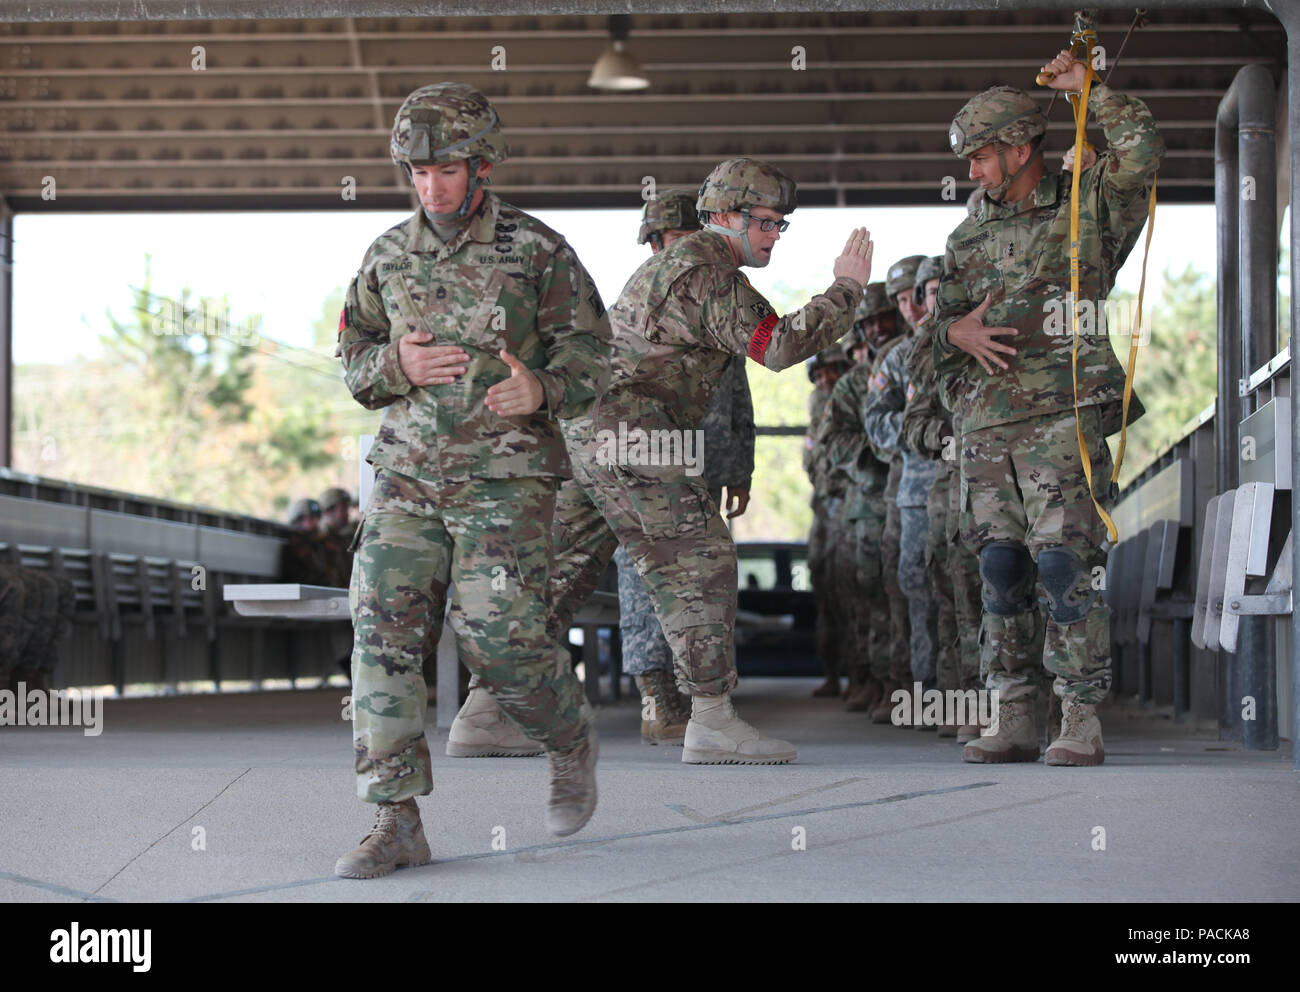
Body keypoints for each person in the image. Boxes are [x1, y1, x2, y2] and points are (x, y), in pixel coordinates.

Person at [332, 81, 611, 878]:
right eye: (417, 172)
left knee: (500, 640)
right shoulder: (387, 255)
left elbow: (595, 354)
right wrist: (396, 363)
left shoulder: (537, 251)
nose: (432, 187)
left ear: (483, 164)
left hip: (506, 477)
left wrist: (544, 391)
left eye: (447, 169)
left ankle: (567, 738)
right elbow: (352, 358)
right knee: (380, 633)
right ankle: (395, 818)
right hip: (410, 475)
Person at [547, 157, 872, 765]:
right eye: (765, 223)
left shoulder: (681, 267)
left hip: (590, 434)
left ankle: (493, 706)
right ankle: (714, 720)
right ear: (724, 216)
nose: (774, 235)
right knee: (699, 563)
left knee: (564, 565)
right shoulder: (707, 275)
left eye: (781, 225)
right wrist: (846, 288)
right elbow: (775, 346)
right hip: (635, 433)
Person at [935, 51, 1163, 765]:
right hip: (986, 426)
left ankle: (1080, 718)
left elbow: (1142, 152)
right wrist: (954, 330)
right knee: (1001, 569)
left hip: (1064, 417)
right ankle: (1013, 716)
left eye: (981, 156)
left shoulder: (1086, 205)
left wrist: (1088, 93)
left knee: (1065, 565)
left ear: (1022, 147)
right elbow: (938, 338)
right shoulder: (965, 238)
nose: (972, 172)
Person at [862, 254, 940, 728]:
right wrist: (920, 430)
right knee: (917, 595)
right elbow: (875, 423)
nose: (909, 306)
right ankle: (924, 693)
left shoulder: (966, 342)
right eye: (900, 300)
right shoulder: (897, 358)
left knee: (968, 594)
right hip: (915, 492)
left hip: (974, 488)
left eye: (914, 295)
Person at [818, 283, 896, 712]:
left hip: (919, 495)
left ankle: (910, 685)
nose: (880, 329)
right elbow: (833, 439)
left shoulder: (913, 362)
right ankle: (873, 678)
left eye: (888, 318)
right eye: (870, 323)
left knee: (914, 595)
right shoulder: (853, 385)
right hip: (868, 501)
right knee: (870, 597)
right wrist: (871, 460)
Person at [804, 343, 852, 698]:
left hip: (852, 503)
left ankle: (865, 677)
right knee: (825, 590)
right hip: (823, 506)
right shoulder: (816, 409)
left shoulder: (854, 400)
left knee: (857, 588)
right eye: (819, 376)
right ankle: (833, 673)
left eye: (832, 372)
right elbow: (810, 461)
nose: (826, 380)